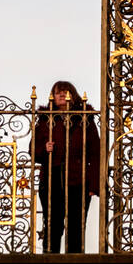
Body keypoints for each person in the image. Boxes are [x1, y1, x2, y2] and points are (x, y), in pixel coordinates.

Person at [33, 80, 100, 253]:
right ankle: (50, 258)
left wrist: (93, 185)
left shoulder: (85, 118)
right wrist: (43, 148)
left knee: (76, 227)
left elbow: (95, 153)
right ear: (52, 97)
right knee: (53, 225)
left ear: (74, 95)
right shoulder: (45, 118)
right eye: (58, 92)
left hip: (79, 179)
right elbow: (33, 149)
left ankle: (75, 259)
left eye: (66, 91)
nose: (62, 95)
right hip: (51, 178)